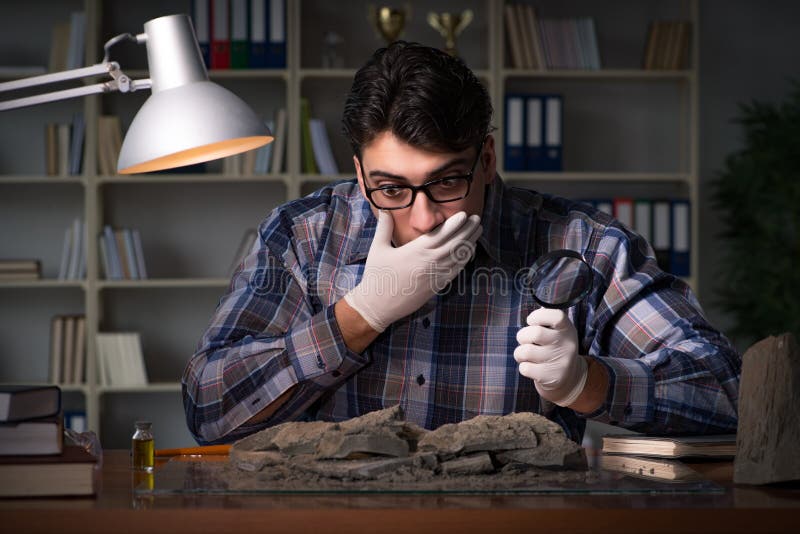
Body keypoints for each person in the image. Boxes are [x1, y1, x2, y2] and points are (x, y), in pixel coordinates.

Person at [182, 41, 741, 445]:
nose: (424, 218)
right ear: (358, 175)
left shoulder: (586, 246)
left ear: (487, 160)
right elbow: (208, 407)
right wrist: (361, 314)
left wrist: (585, 383)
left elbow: (728, 390)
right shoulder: (303, 236)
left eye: (447, 181)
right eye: (391, 188)